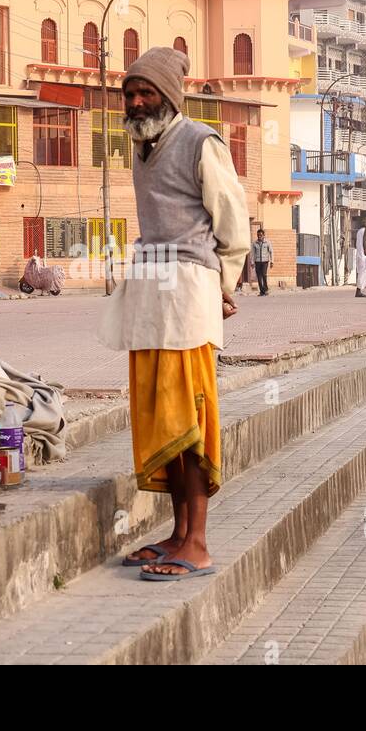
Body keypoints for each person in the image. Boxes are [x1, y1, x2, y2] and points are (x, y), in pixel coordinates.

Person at [98, 46, 250, 581]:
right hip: (150, 291)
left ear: (169, 97)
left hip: (188, 291)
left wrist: (223, 286)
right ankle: (179, 534)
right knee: (161, 412)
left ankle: (200, 543)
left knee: (189, 414)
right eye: (131, 94)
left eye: (148, 93)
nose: (138, 102)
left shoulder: (199, 142)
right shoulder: (140, 146)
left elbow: (232, 222)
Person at [251, 228, 273, 296]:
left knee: (264, 275)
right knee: (259, 277)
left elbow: (271, 252)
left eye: (260, 235)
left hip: (265, 262)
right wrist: (252, 262)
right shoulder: (254, 243)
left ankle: (265, 289)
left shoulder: (267, 242)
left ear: (263, 235)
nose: (259, 236)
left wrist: (272, 261)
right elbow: (252, 253)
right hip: (257, 262)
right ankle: (262, 291)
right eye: (258, 235)